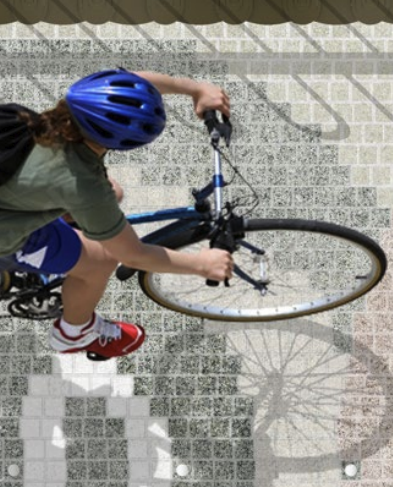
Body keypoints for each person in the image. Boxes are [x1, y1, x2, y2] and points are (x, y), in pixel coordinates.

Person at [0, 68, 234, 360]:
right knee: (103, 258)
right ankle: (75, 333)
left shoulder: (51, 117)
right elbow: (134, 255)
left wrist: (195, 88)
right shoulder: (83, 185)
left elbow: (129, 86)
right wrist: (201, 264)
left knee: (113, 193)